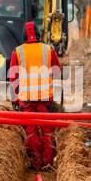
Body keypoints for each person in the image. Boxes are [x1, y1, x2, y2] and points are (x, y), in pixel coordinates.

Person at [9, 20, 61, 169]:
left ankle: (36, 163)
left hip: (26, 98)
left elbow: (13, 77)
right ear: (39, 35)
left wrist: (15, 97)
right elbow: (57, 71)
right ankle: (49, 163)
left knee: (31, 130)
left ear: (23, 36)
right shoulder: (48, 49)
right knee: (48, 129)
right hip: (45, 97)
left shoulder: (17, 51)